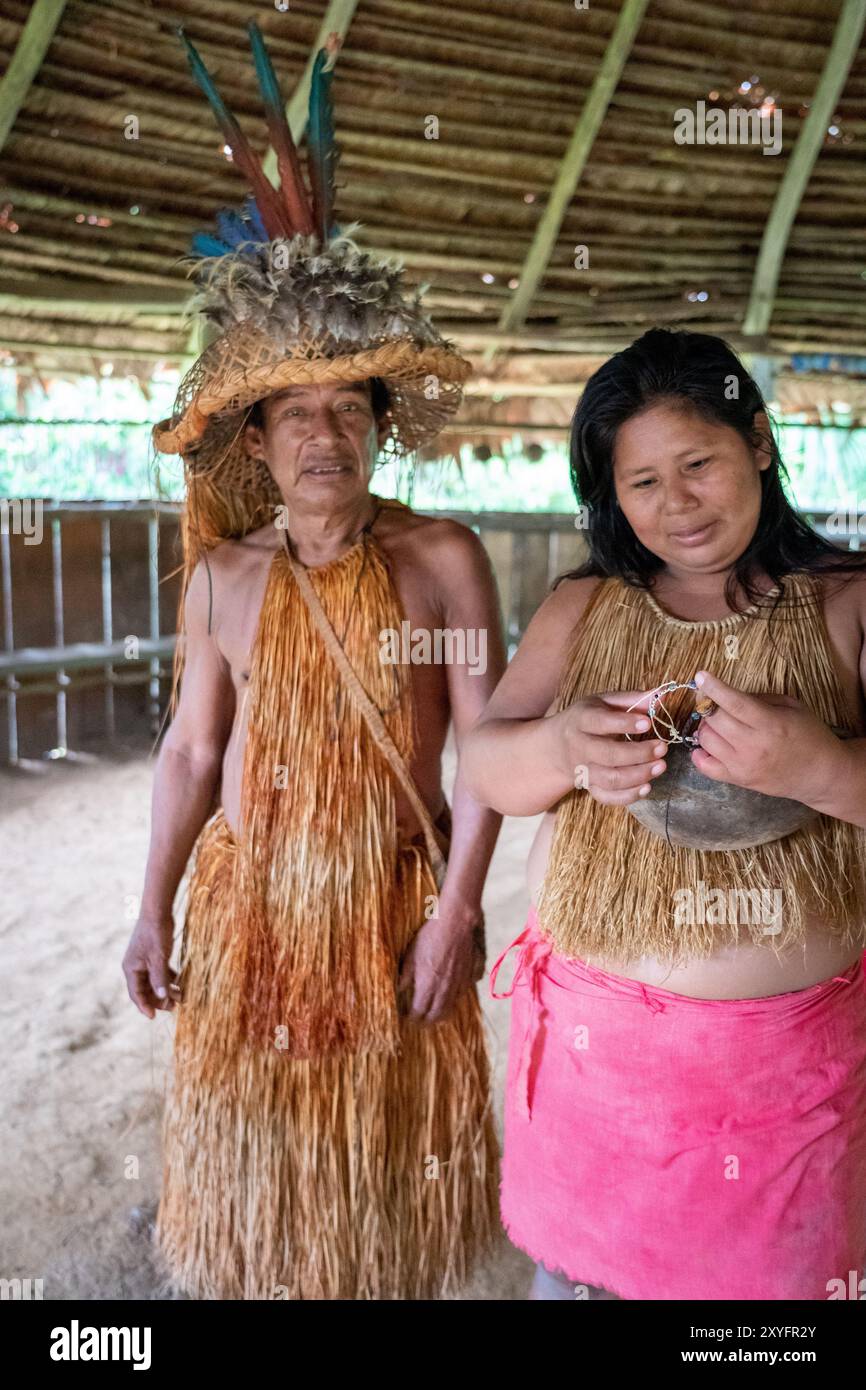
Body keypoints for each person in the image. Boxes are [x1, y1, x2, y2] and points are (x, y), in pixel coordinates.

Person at [121, 24, 504, 1299]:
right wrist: (150, 902)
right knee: (259, 1182)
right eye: (296, 412)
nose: (324, 432)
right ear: (260, 441)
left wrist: (454, 910)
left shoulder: (441, 560)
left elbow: (490, 747)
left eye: (349, 408)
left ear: (380, 429)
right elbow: (191, 750)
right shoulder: (226, 578)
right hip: (250, 917)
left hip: (391, 908)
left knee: (378, 1181)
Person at [463, 327, 866, 1301]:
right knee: (575, 1278)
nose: (674, 503)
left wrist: (817, 767)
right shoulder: (583, 608)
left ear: (758, 445)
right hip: (597, 1077)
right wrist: (561, 746)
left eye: (698, 463)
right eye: (640, 482)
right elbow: (484, 765)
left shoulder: (846, 605)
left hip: (783, 1086)